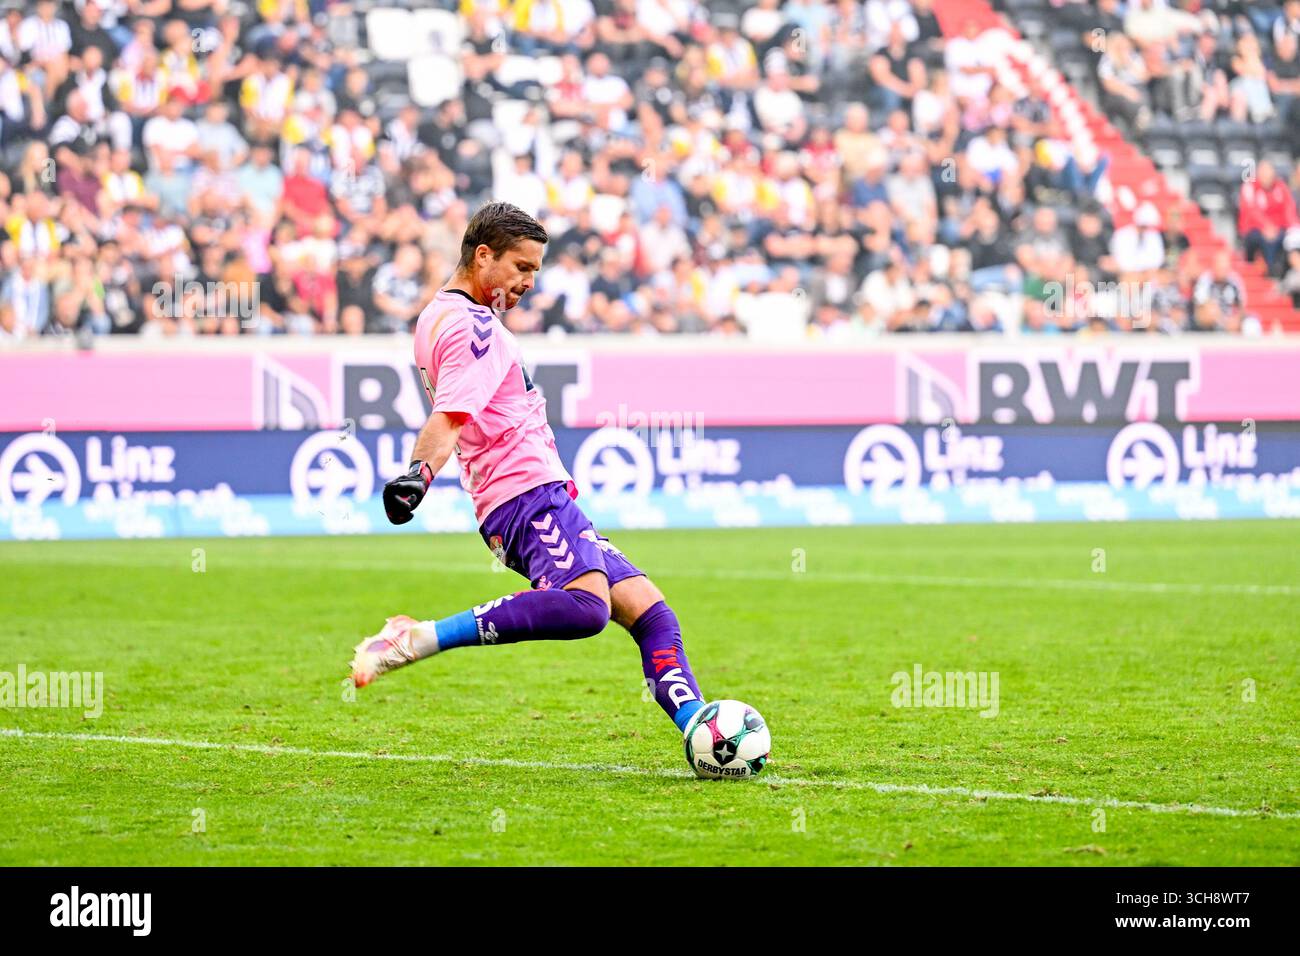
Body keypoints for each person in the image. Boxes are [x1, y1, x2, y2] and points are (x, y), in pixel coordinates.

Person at [350, 201, 706, 735]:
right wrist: (419, 475)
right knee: (587, 609)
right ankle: (416, 638)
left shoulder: (440, 316)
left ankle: (697, 723)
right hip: (522, 494)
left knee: (651, 612)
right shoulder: (475, 328)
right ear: (484, 255)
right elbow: (450, 416)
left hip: (539, 494)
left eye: (536, 271)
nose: (529, 282)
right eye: (522, 267)